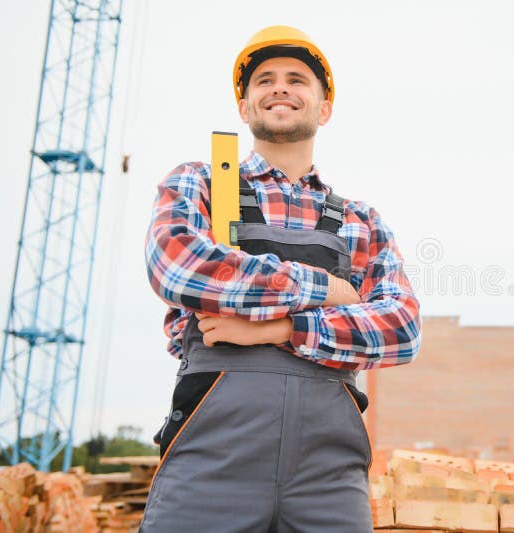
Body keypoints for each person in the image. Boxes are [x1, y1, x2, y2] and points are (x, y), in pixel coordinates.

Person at [140, 25, 421, 532]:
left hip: (328, 476)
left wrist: (281, 329)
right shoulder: (199, 183)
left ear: (324, 107)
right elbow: (178, 265)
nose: (280, 87)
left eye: (298, 79)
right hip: (212, 467)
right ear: (245, 107)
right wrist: (328, 291)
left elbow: (401, 329)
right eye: (264, 80)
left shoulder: (362, 220)